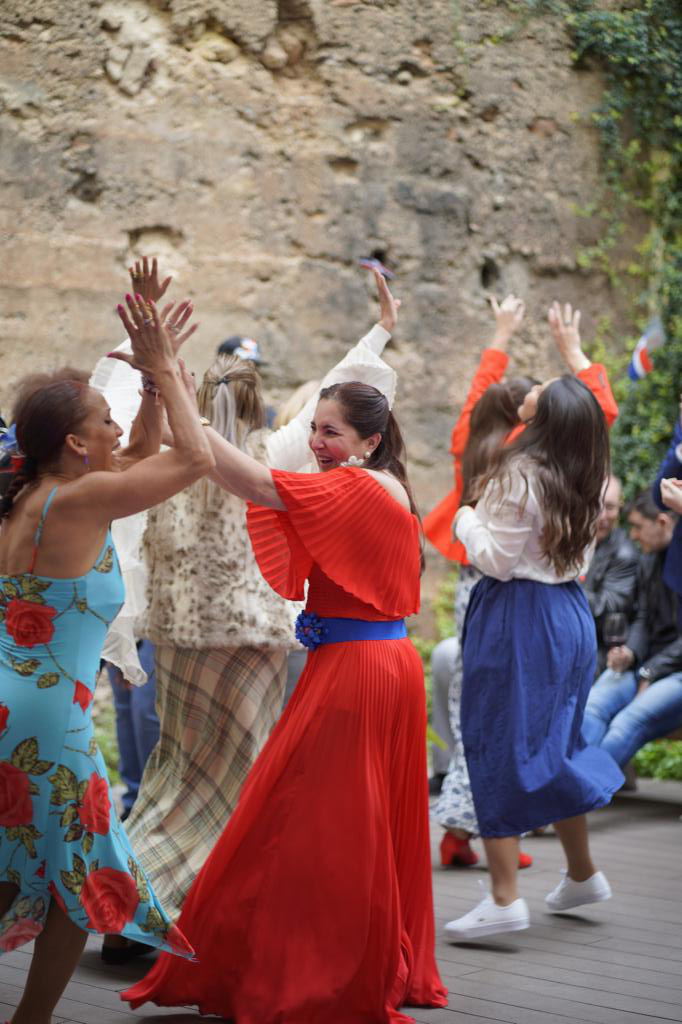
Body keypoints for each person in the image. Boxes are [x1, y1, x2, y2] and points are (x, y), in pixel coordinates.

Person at [123, 378, 447, 1022]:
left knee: (321, 817)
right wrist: (175, 404)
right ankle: (315, 953)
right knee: (324, 813)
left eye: (332, 432)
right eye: (315, 429)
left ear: (370, 442)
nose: (319, 443)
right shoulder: (375, 483)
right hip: (365, 665)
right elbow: (230, 472)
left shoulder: (361, 486)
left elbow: (258, 483)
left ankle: (322, 967)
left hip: (360, 671)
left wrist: (186, 408)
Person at [108, 267, 401, 937]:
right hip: (253, 643)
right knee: (240, 781)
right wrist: (380, 330)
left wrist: (156, 358)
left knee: (175, 773)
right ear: (257, 405)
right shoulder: (275, 453)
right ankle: (186, 909)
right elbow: (337, 388)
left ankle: (135, 898)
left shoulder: (169, 456)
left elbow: (132, 420)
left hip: (179, 639)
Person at [0, 294, 211, 1023]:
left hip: (15, 707)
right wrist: (166, 369)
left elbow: (142, 452)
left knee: (21, 862)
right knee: (79, 881)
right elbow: (193, 458)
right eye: (105, 420)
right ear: (76, 443)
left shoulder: (32, 493)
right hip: (51, 722)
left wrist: (151, 384)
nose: (118, 428)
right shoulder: (81, 501)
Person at [431, 300, 618, 871]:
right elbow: (598, 410)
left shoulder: (496, 455)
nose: (538, 390)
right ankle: (567, 865)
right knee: (547, 730)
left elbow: (496, 559)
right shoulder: (582, 463)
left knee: (489, 723)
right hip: (564, 604)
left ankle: (482, 845)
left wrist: (465, 518)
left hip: (503, 595)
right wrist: (571, 351)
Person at [424, 294, 530, 800]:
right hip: (515, 580)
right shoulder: (526, 453)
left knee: (469, 677)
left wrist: (502, 334)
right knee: (507, 686)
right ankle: (491, 788)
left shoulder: (468, 444)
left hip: (474, 575)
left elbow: (478, 394)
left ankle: (461, 782)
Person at [582, 491, 682, 765]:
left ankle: (584, 785)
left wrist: (652, 670)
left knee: (627, 722)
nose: (633, 535)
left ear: (662, 522)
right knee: (591, 707)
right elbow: (642, 618)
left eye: (638, 526)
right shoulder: (649, 561)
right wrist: (630, 653)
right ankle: (576, 784)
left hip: (674, 673)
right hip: (645, 666)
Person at [581, 474, 639, 672]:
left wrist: (565, 587)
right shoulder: (578, 540)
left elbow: (609, 613)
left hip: (600, 651)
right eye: (595, 505)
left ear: (619, 508)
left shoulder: (624, 554)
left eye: (610, 507)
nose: (601, 515)